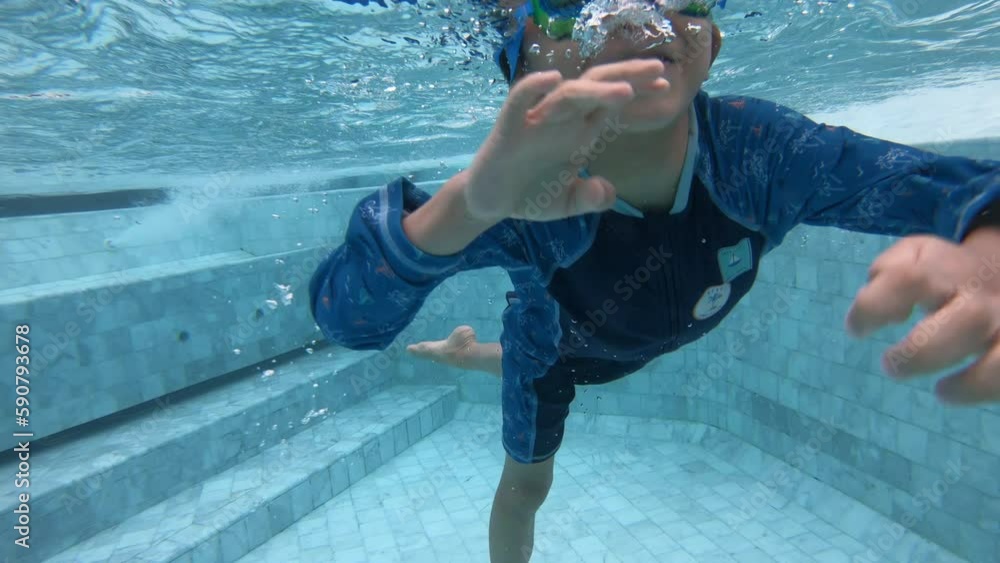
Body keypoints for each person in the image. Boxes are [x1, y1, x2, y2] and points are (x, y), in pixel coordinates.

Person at [310, 1, 1000, 561]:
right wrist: (459, 212)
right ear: (517, 63)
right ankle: (463, 354)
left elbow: (948, 189)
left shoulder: (756, 154)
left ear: (710, 46)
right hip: (552, 354)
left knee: (586, 360)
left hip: (636, 344)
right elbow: (349, 321)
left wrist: (988, 240)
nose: (638, 15)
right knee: (526, 483)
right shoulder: (516, 193)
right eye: (565, 2)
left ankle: (462, 352)